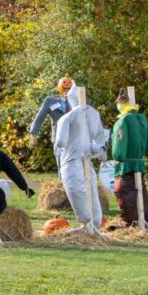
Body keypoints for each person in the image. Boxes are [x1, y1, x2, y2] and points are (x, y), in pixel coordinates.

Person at [53, 85, 108, 231]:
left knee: (75, 187)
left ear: (71, 99)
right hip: (87, 157)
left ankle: (87, 221)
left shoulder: (68, 117)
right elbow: (100, 141)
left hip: (72, 157)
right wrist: (97, 151)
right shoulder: (95, 114)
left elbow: (60, 142)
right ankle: (94, 222)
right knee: (91, 189)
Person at [108, 88, 148, 225]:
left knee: (123, 190)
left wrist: (118, 157)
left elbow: (119, 146)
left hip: (126, 166)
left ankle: (131, 220)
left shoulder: (123, 121)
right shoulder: (142, 120)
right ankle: (143, 219)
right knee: (140, 190)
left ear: (121, 104)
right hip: (139, 164)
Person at [27, 77, 75, 142]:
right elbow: (39, 117)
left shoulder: (75, 103)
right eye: (65, 89)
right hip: (58, 137)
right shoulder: (50, 101)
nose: (66, 90)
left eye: (68, 89)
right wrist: (33, 132)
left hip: (73, 137)